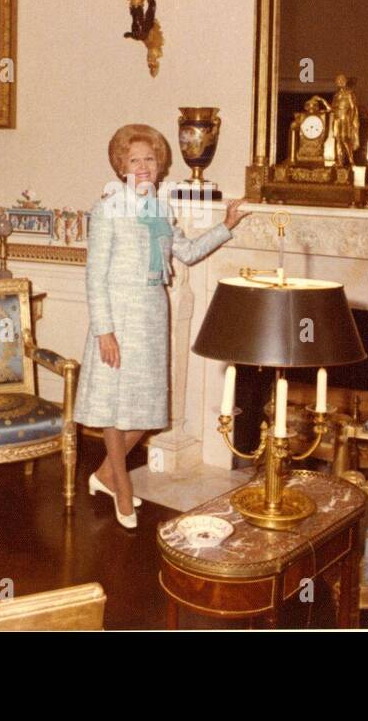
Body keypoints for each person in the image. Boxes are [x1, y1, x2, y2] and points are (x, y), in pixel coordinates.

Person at [77, 124, 247, 528]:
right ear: (121, 166)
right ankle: (121, 487)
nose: (142, 167)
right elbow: (94, 275)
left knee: (148, 410)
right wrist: (104, 330)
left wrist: (227, 225)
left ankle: (102, 474)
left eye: (149, 160)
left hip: (152, 315)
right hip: (117, 316)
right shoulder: (107, 210)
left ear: (159, 166)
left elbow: (185, 253)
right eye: (133, 160)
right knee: (114, 407)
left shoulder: (160, 209)